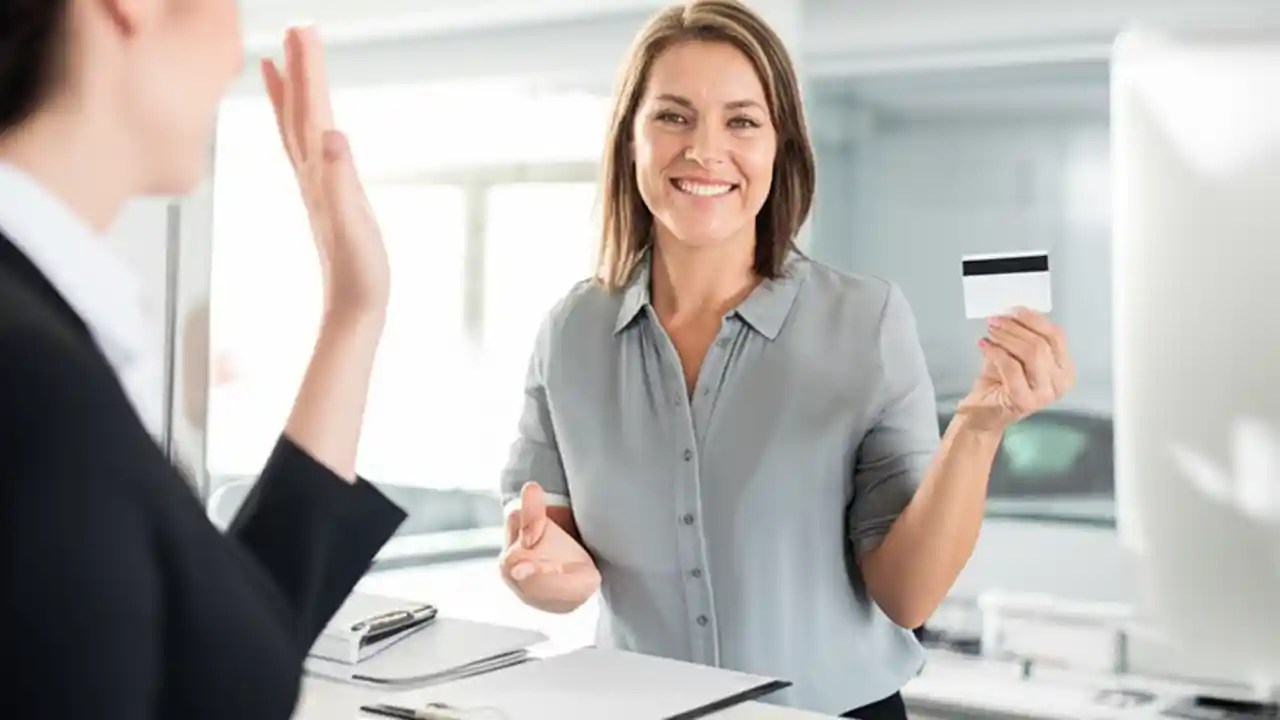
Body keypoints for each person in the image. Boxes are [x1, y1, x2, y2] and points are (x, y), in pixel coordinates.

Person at [496, 1, 1077, 718]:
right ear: (630, 140)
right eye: (673, 116)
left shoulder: (865, 320)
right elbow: (551, 551)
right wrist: (541, 575)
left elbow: (907, 593)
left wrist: (980, 427)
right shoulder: (570, 332)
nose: (705, 150)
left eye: (742, 120)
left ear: (781, 147)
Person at [0, 1, 400, 717]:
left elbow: (206, 667)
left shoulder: (43, 340)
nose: (232, 50)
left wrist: (354, 311)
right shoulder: (33, 382)